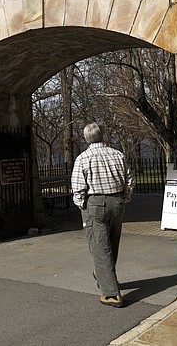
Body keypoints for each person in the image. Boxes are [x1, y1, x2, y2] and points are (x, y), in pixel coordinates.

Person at [71, 122, 134, 308]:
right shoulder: (118, 155)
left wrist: (81, 205)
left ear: (86, 138)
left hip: (95, 203)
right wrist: (125, 198)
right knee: (112, 243)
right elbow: (129, 180)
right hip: (117, 202)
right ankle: (103, 274)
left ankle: (111, 294)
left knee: (99, 247)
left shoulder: (83, 158)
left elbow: (78, 186)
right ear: (102, 135)